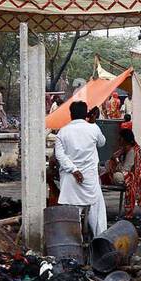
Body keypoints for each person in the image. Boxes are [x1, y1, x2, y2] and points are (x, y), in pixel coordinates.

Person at [55, 100, 108, 237]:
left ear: (71, 114)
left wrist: (74, 170)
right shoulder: (93, 128)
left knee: (72, 214)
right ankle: (100, 240)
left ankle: (72, 242)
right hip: (89, 179)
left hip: (71, 179)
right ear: (86, 114)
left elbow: (59, 155)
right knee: (96, 211)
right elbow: (102, 142)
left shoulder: (63, 132)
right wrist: (93, 121)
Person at [101, 124, 141, 220]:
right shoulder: (125, 149)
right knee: (108, 164)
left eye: (120, 139)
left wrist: (116, 161)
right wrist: (114, 160)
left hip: (135, 179)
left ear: (124, 140)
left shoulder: (132, 151)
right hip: (127, 174)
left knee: (117, 176)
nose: (118, 140)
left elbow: (126, 170)